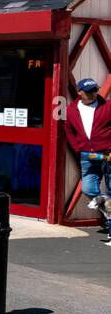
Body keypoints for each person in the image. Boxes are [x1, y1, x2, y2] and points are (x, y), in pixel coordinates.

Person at [66, 77, 111, 240]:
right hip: (87, 156)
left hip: (107, 155)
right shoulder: (72, 109)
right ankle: (109, 210)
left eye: (95, 90)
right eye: (89, 91)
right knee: (88, 189)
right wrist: (78, 149)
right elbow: (69, 131)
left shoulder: (107, 106)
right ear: (79, 92)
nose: (93, 93)